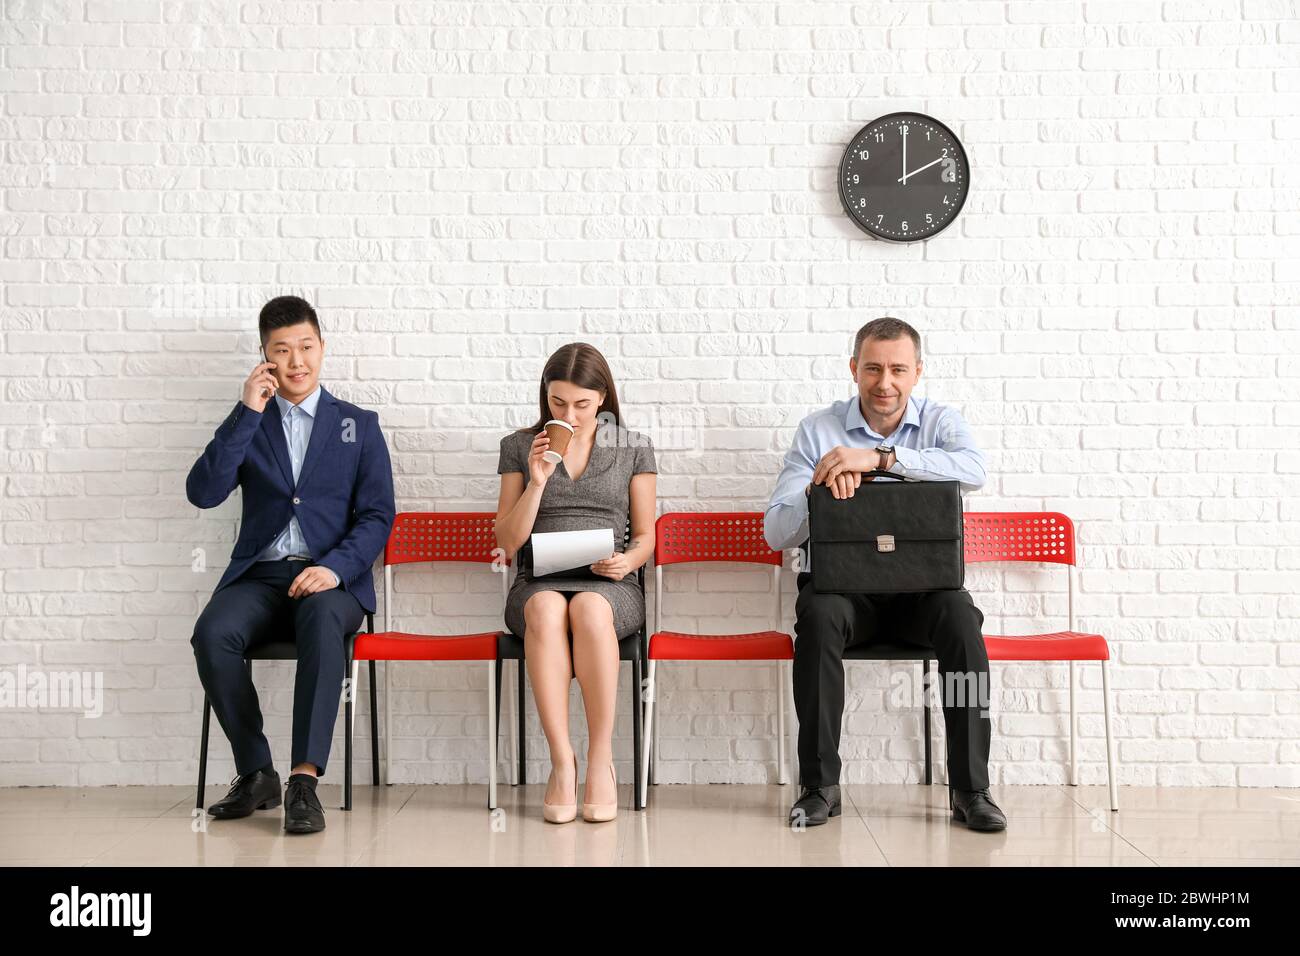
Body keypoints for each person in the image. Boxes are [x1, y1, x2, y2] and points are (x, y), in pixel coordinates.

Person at [763, 317, 1007, 831]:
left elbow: (974, 471)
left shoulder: (942, 422)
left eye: (898, 369)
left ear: (918, 372)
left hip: (923, 598)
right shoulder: (817, 430)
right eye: (873, 368)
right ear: (854, 369)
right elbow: (776, 532)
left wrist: (881, 458)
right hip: (846, 598)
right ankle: (819, 787)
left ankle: (971, 790)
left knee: (961, 617)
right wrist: (819, 491)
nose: (885, 382)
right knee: (818, 613)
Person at [186, 296, 395, 834]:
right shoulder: (249, 421)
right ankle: (257, 772)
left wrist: (335, 567)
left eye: (306, 347)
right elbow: (203, 493)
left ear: (322, 348)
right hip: (261, 577)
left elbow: (377, 516)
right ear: (265, 357)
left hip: (332, 580)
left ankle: (304, 780)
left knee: (323, 620)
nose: (297, 360)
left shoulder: (358, 425)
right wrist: (246, 411)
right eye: (283, 350)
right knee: (212, 632)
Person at [494, 343, 657, 823]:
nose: (569, 414)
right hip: (536, 580)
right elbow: (506, 539)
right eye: (558, 403)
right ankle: (562, 763)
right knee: (546, 609)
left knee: (588, 607)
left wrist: (627, 562)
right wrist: (538, 480)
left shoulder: (633, 447)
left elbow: (647, 534)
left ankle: (600, 761)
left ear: (602, 398)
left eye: (582, 404)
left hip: (611, 584)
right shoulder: (520, 447)